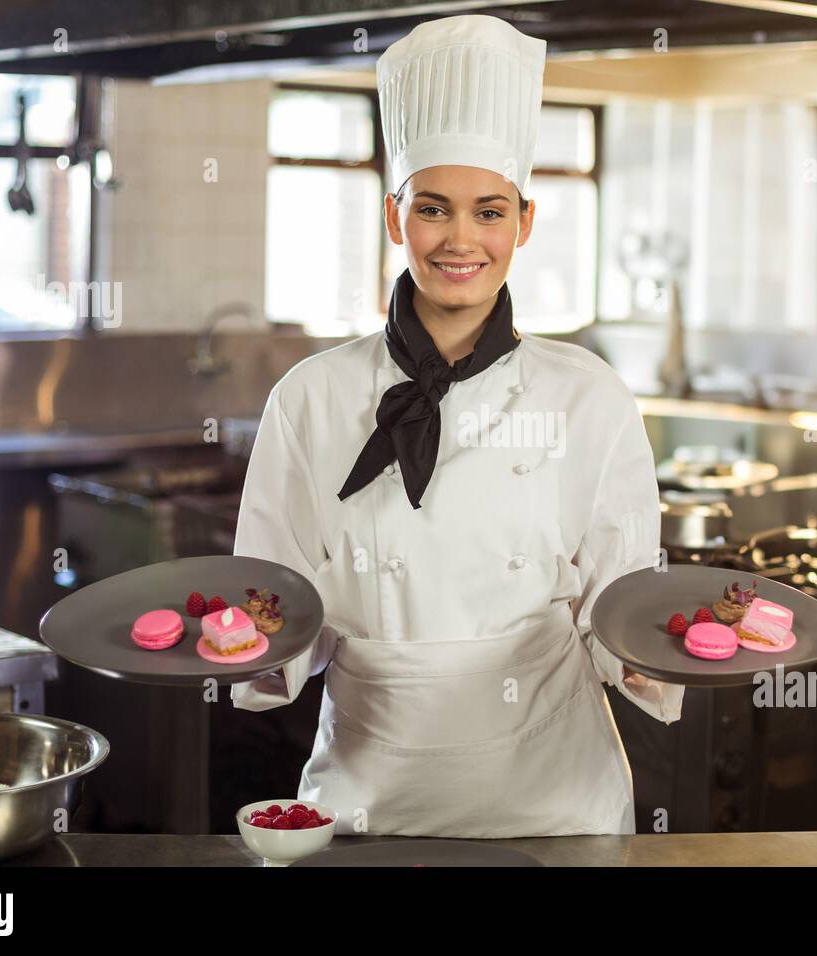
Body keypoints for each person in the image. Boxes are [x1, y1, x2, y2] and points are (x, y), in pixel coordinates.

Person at [232, 13, 683, 838]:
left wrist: (679, 646)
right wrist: (223, 643)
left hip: (556, 807)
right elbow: (273, 610)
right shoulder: (310, 398)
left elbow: (623, 608)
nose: (462, 240)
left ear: (525, 223)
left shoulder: (590, 397)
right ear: (395, 217)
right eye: (434, 209)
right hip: (366, 805)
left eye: (490, 211)